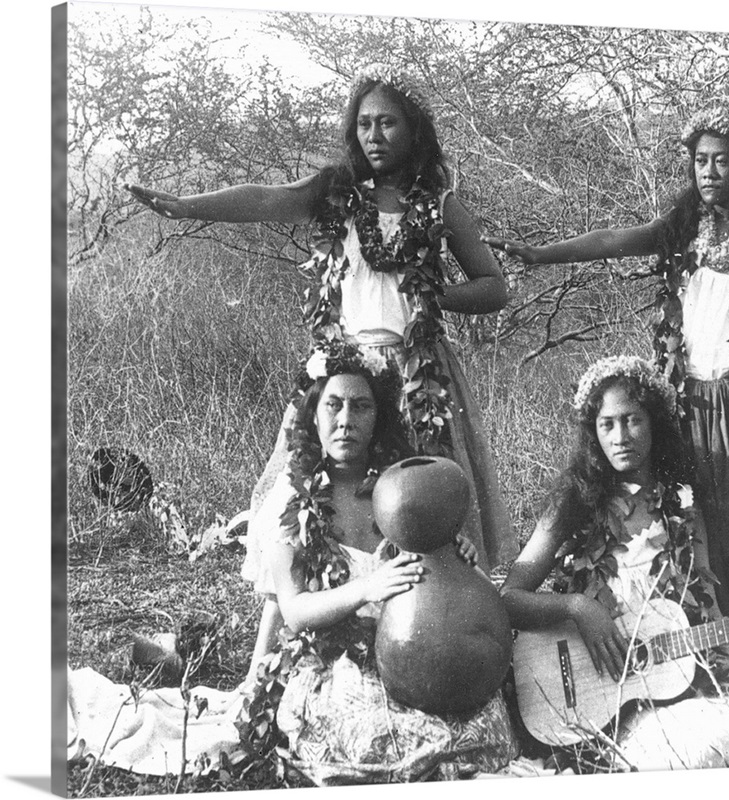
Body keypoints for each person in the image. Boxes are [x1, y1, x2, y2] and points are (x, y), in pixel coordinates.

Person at [127, 65, 517, 669]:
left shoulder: (439, 204)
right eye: (364, 124)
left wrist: (435, 299)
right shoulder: (338, 192)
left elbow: (494, 286)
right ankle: (267, 665)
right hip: (341, 375)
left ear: (414, 132)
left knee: (415, 514)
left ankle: (426, 653)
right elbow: (268, 200)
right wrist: (186, 206)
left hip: (415, 379)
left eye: (388, 123)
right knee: (306, 502)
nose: (374, 135)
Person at [485, 103, 729, 618]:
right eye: (700, 161)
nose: (709, 173)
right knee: (695, 519)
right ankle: (697, 629)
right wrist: (542, 255)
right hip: (687, 404)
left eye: (722, 161)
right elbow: (613, 241)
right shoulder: (684, 228)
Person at [241, 341, 518, 784]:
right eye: (333, 405)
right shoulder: (291, 503)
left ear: (378, 419)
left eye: (361, 407)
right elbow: (293, 612)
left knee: (487, 727)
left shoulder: (404, 491)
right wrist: (367, 589)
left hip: (418, 654)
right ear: (313, 415)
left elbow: (447, 584)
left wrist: (457, 558)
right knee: (386, 737)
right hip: (337, 663)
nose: (346, 420)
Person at [500, 355, 729, 771]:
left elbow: (711, 620)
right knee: (694, 753)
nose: (620, 437)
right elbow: (509, 597)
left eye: (632, 420)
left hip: (676, 684)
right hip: (609, 702)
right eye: (607, 424)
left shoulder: (682, 503)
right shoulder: (574, 504)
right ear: (592, 432)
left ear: (655, 423)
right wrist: (578, 608)